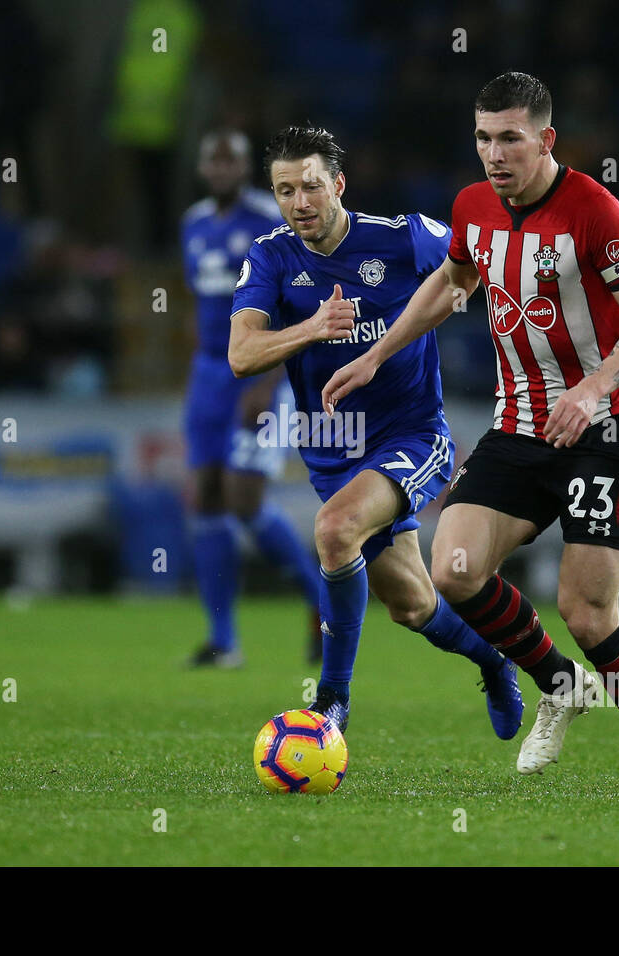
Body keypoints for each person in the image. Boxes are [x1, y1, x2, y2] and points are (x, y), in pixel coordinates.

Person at [322, 73, 619, 795]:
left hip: (600, 430)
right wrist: (376, 352)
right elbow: (453, 284)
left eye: (510, 138)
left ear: (545, 140)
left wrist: (592, 388)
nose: (494, 153)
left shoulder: (595, 210)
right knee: (453, 570)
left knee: (586, 614)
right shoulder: (472, 207)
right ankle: (559, 685)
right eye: (484, 137)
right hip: (517, 427)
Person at [229, 126, 522, 737]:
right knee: (411, 604)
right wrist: (311, 328)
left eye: (310, 186)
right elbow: (241, 354)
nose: (299, 202)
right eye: (284, 191)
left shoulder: (402, 238)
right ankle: (494, 658)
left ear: (337, 184)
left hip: (410, 436)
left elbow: (472, 272)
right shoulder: (271, 256)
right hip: (333, 451)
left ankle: (331, 700)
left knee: (334, 531)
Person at [181, 129, 324, 667]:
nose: (221, 169)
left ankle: (320, 602)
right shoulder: (192, 224)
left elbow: (289, 302)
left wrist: (267, 379)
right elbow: (202, 304)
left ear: (245, 169)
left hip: (261, 373)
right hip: (208, 376)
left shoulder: (269, 218)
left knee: (243, 499)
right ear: (202, 167)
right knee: (205, 498)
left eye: (231, 161)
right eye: (212, 160)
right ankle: (224, 641)